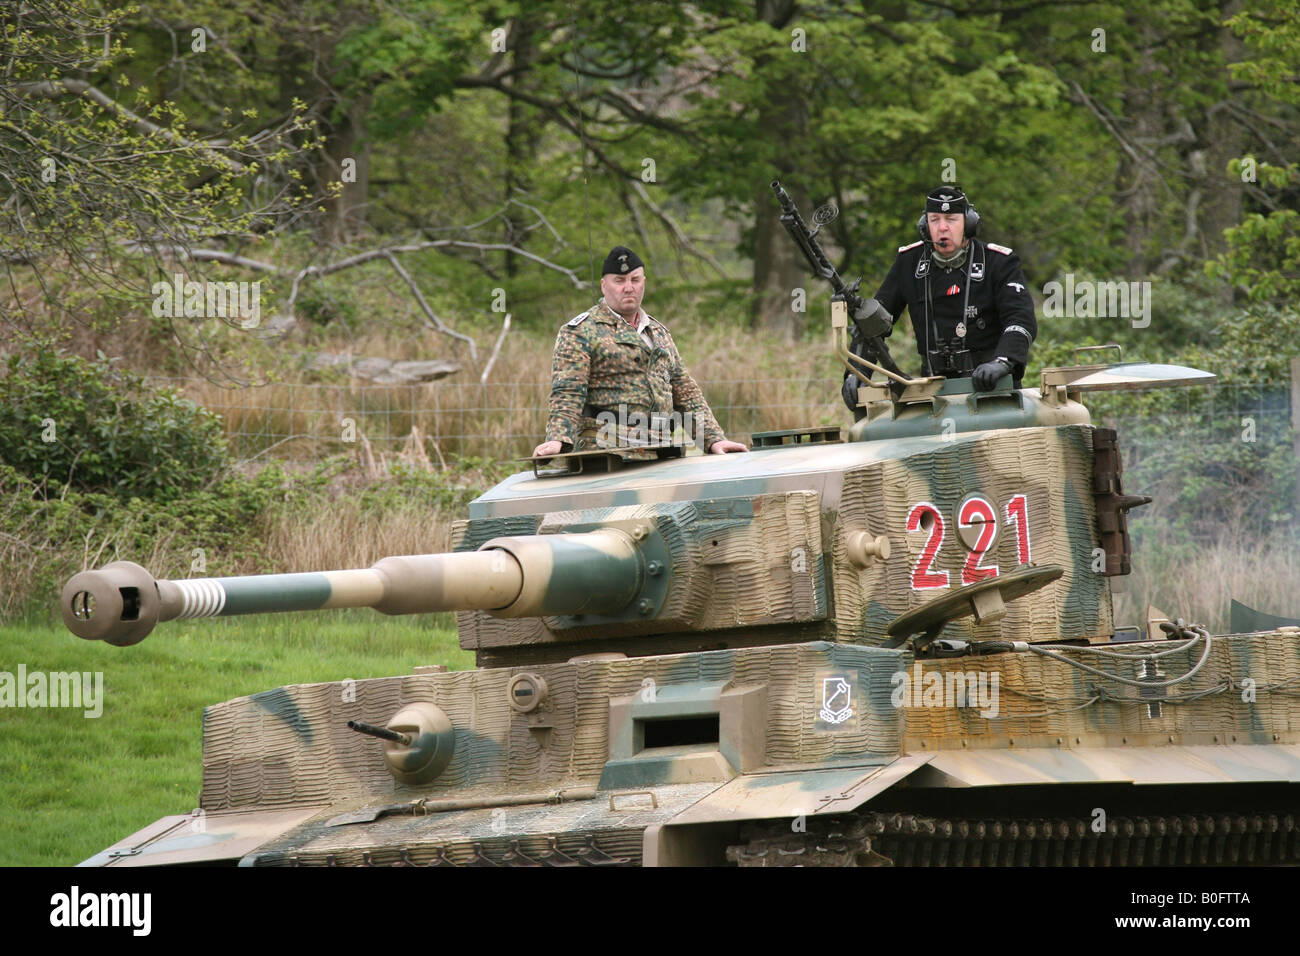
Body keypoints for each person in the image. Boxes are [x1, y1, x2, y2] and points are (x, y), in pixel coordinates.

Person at [533, 246, 748, 457]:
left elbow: (685, 391)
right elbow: (568, 391)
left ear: (643, 283)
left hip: (661, 449)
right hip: (607, 450)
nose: (628, 288)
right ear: (603, 285)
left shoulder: (658, 332)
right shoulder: (580, 331)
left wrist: (714, 439)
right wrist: (557, 438)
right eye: (619, 280)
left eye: (635, 280)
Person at [842, 185, 1037, 414]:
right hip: (932, 391)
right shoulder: (909, 262)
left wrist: (1003, 362)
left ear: (969, 223)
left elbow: (1021, 319)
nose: (942, 227)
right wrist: (856, 374)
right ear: (925, 226)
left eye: (951, 219)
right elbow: (875, 324)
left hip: (991, 389)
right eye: (934, 219)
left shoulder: (999, 262)